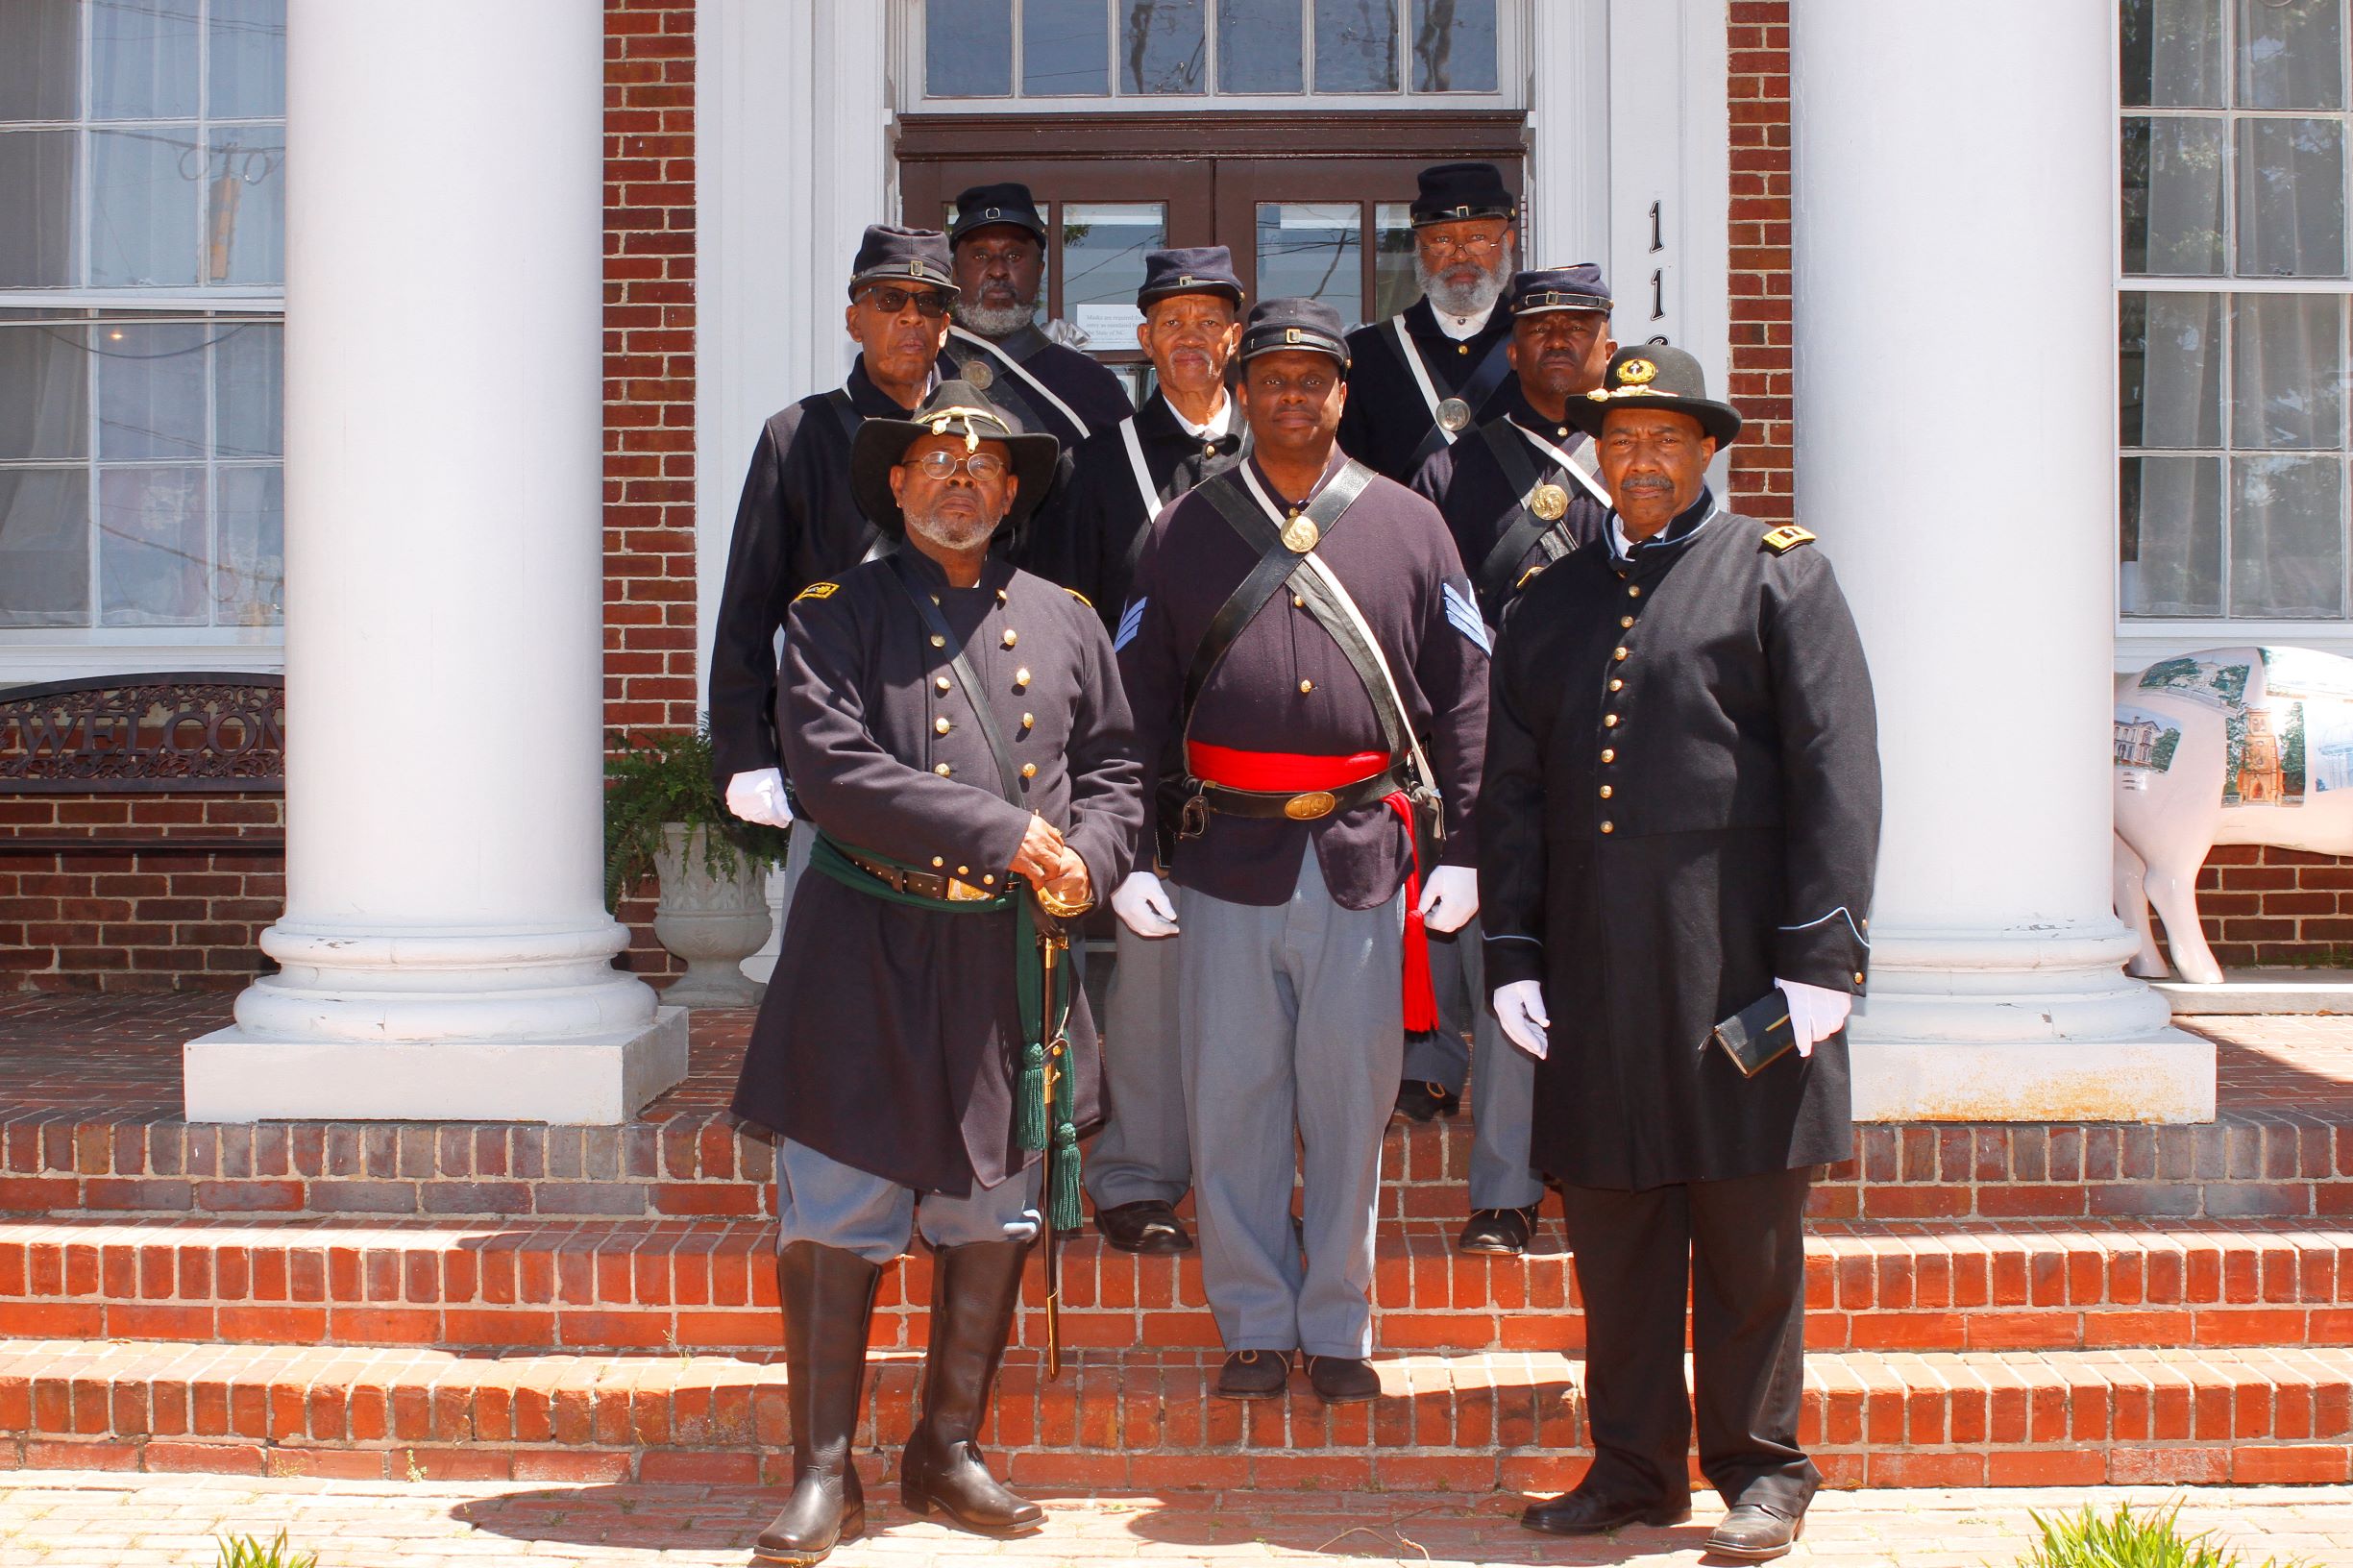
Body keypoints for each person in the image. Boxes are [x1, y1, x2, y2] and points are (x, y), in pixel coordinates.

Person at [732, 380, 1144, 1565]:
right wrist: (1003, 837)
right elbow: (829, 768)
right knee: (836, 1209)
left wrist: (1095, 864)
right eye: (937, 462)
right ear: (899, 485)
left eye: (985, 466)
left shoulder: (1067, 618)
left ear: (1010, 492)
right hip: (863, 951)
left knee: (990, 1208)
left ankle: (944, 1452)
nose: (961, 479)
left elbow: (1116, 770)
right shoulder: (830, 614)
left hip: (1009, 962)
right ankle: (823, 1475)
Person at [1479, 345, 1879, 1560]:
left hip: (1738, 959)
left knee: (1748, 1230)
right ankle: (1635, 1467)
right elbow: (1514, 792)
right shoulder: (1546, 601)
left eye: (1664, 438)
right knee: (1618, 1229)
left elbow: (1836, 770)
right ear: (1595, 456)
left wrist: (1821, 957)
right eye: (1619, 439)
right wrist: (1513, 952)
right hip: (1596, 967)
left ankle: (1764, 1467)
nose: (1639, 459)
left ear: (1707, 450)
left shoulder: (1776, 578)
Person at [1113, 298, 1488, 1404]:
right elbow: (1134, 701)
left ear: (1340, 393)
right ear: (1243, 385)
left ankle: (1336, 1327)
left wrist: (1463, 844)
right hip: (1223, 859)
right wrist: (1132, 847)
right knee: (1231, 1101)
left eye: (1311, 378)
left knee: (1347, 1102)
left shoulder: (1413, 525)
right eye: (1269, 375)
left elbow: (1467, 696)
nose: (1290, 394)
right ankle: (1251, 1320)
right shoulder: (1182, 528)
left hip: (1363, 854)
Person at [1023, 246, 1250, 1257]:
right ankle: (1140, 1176)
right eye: (1172, 320)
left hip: (1270, 768)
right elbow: (1059, 620)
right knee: (1150, 987)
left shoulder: (1293, 452)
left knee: (1264, 985)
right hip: (1144, 762)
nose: (1192, 338)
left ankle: (1250, 1177)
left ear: (1235, 337)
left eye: (1211, 319)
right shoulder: (1093, 464)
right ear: (1144, 338)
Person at [1401, 264, 1617, 1256]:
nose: (1560, 344)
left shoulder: (1632, 458)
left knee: (1536, 968)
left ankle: (1510, 1188)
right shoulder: (1450, 470)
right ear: (1511, 346)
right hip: (1475, 739)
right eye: (1540, 330)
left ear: (1605, 341)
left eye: (1579, 327)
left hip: (1591, 749)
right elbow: (1418, 618)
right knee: (1464, 932)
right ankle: (1431, 1058)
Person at [708, 224, 957, 836]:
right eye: (889, 301)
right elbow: (748, 607)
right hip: (840, 743)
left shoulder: (985, 438)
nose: (910, 318)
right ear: (854, 321)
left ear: (946, 326)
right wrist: (746, 750)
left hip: (963, 744)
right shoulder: (797, 437)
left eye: (928, 303)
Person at [1336, 160, 1519, 484]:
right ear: (1417, 249)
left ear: (1508, 243)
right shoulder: (1366, 356)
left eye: (1478, 237)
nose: (1460, 255)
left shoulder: (1535, 349)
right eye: (1442, 240)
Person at [943, 182, 1136, 449]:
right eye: (980, 255)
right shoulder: (923, 371)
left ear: (1039, 269)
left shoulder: (1092, 385)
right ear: (954, 271)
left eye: (1014, 255)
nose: (997, 270)